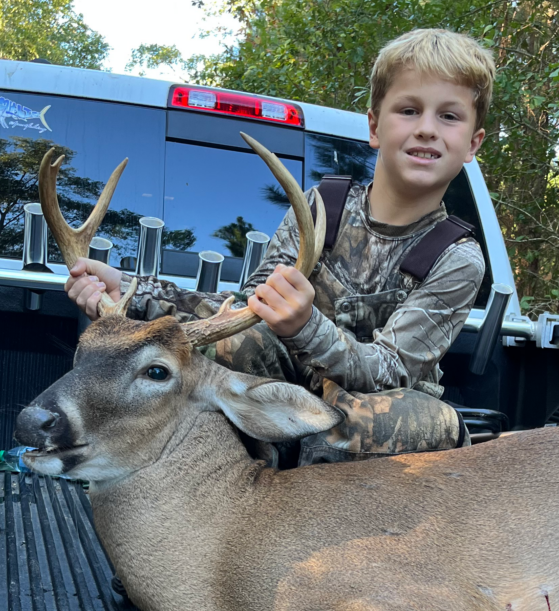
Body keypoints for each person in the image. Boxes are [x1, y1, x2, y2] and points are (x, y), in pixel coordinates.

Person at [65, 28, 494, 466]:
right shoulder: (319, 208)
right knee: (232, 344)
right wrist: (134, 293)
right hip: (294, 385)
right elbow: (244, 312)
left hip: (387, 411)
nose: (426, 129)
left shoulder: (457, 257)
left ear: (473, 144)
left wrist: (306, 325)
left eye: (449, 116)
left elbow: (389, 371)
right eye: (408, 110)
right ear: (374, 126)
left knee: (341, 424)